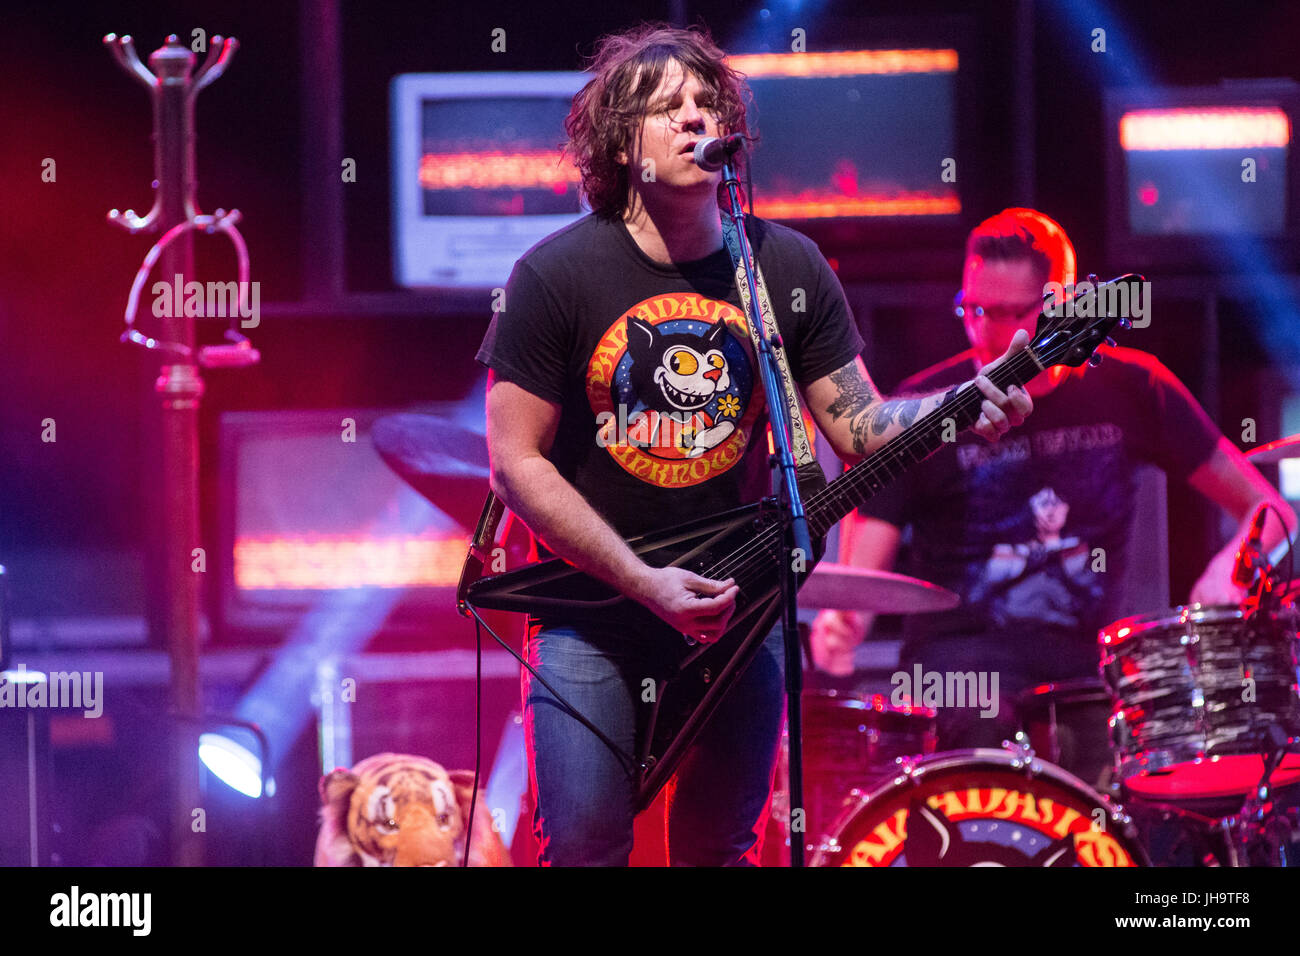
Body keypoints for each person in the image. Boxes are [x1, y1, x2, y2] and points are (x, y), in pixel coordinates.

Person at [475, 23, 1033, 866]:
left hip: (737, 607)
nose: (698, 120)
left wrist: (959, 405)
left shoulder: (786, 267)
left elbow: (862, 429)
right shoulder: (556, 275)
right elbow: (516, 462)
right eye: (671, 109)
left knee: (722, 848)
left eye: (709, 104)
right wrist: (641, 579)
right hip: (592, 613)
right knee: (586, 842)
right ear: (624, 142)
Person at [810, 207, 1295, 771]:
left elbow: (1271, 511)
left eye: (1012, 312)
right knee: (977, 723)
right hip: (960, 655)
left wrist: (1230, 568)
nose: (987, 332)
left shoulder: (1134, 386)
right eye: (974, 310)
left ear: (1063, 305)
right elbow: (863, 581)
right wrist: (842, 625)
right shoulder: (926, 406)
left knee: (1133, 760)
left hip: (1085, 664)